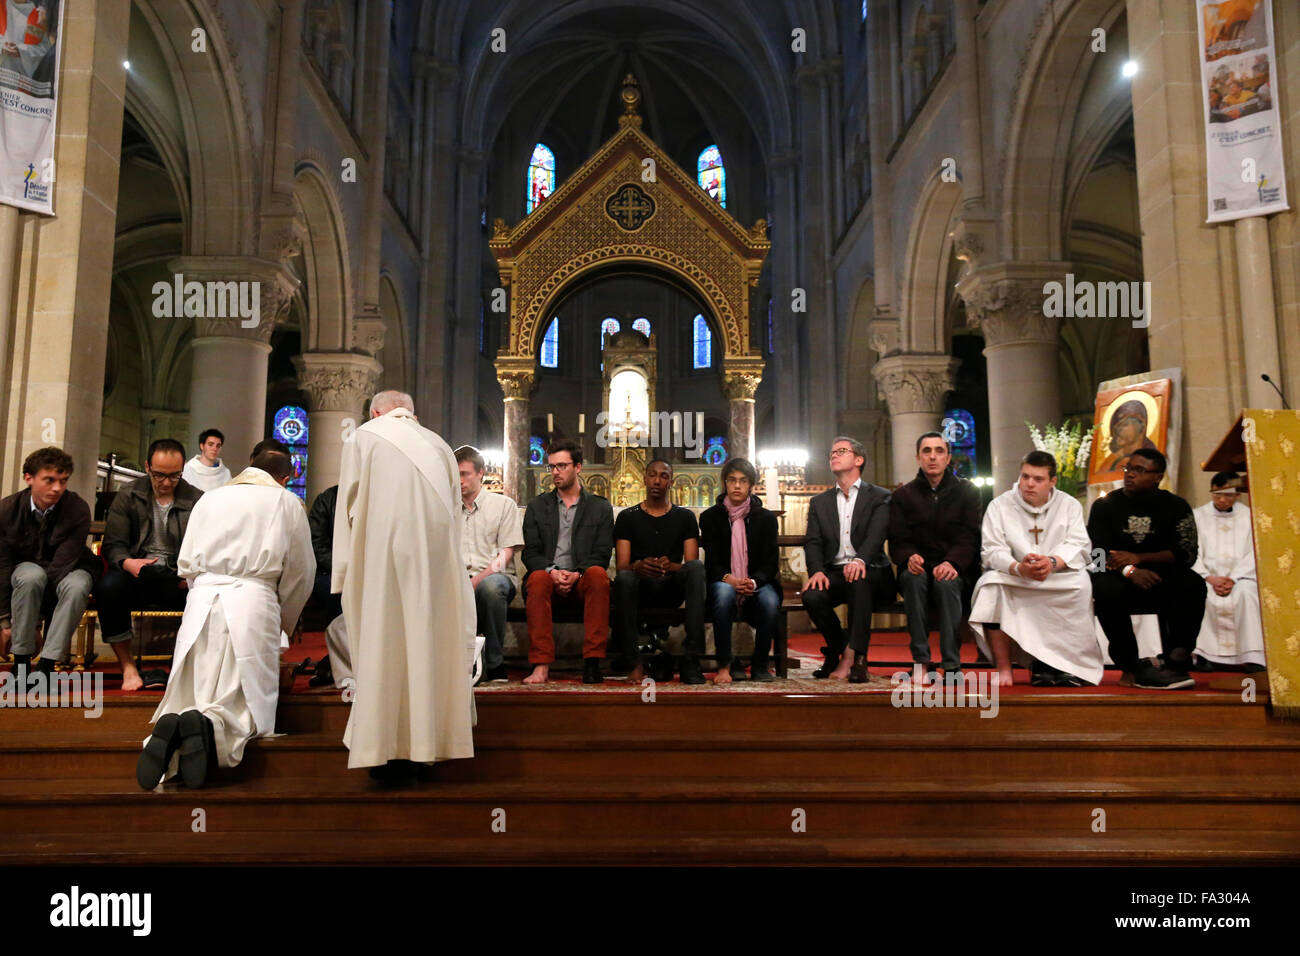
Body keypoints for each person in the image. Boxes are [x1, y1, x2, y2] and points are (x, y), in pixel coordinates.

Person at [136, 450, 314, 789]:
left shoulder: (210, 499)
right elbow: (300, 572)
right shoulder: (285, 502)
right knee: (241, 696)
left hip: (201, 600)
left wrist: (202, 589)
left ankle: (174, 723)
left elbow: (186, 563)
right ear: (284, 478)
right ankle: (213, 727)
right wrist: (284, 621)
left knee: (195, 684)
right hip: (252, 601)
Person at [332, 390, 474, 782]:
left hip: (380, 561)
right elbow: (455, 519)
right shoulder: (441, 445)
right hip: (433, 565)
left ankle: (380, 753)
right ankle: (422, 751)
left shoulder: (365, 435)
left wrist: (343, 573)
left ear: (376, 411)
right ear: (412, 412)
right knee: (424, 646)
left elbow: (348, 503)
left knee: (383, 645)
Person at [968, 451, 1101, 686]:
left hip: (1058, 575)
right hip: (1016, 576)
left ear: (1052, 482)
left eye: (1038, 479)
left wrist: (1052, 562)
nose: (1029, 484)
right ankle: (1004, 668)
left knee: (1081, 585)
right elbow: (991, 550)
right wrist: (1018, 567)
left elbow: (1079, 545)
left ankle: (1066, 665)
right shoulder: (999, 506)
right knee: (989, 588)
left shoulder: (1069, 505)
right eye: (1025, 476)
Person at [1089, 448, 1206, 690]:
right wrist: (1130, 571)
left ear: (1158, 477)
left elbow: (1187, 553)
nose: (1130, 474)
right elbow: (1098, 557)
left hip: (1162, 577)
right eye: (1129, 468)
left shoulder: (1176, 505)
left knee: (1193, 584)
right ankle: (1130, 665)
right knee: (1104, 589)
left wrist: (1138, 558)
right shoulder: (1105, 506)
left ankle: (1177, 658)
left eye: (1139, 470)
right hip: (1119, 578)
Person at [95, 438, 202, 691]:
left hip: (177, 577)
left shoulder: (196, 500)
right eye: (159, 475)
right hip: (137, 574)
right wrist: (128, 562)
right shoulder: (129, 494)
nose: (166, 482)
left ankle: (180, 668)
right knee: (108, 587)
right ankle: (128, 667)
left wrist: (191, 575)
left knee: (208, 594)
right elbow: (113, 543)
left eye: (174, 476)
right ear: (147, 467)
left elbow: (206, 548)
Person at [888, 431, 982, 677]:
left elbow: (969, 535)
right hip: (917, 566)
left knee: (947, 583)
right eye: (926, 451)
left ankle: (951, 664)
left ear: (948, 457)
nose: (933, 457)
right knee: (912, 579)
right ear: (918, 457)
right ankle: (921, 662)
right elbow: (897, 538)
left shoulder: (967, 491)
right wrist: (909, 556)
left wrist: (952, 562)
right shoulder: (903, 496)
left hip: (953, 566)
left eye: (939, 451)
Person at [0, 447, 99, 682]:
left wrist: (37, 620)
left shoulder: (77, 508)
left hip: (70, 567)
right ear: (29, 478)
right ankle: (21, 663)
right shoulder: (7, 510)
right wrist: (4, 622)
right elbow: (2, 567)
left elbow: (61, 565)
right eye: (49, 480)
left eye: (63, 481)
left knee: (77, 585)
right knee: (31, 576)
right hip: (25, 570)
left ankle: (47, 664)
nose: (57, 488)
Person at [802, 436, 895, 683]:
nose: (834, 455)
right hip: (835, 572)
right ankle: (841, 648)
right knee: (812, 595)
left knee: (859, 578)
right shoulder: (819, 502)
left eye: (841, 451)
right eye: (832, 452)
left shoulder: (879, 496)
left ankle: (855, 657)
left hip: (872, 570)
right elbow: (813, 542)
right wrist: (817, 571)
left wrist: (860, 560)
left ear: (858, 460)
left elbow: (876, 536)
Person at [520, 438, 613, 685]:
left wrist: (578, 573)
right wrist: (551, 571)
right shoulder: (538, 506)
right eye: (551, 467)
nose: (555, 472)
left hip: (582, 579)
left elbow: (602, 553)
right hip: (548, 578)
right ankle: (541, 665)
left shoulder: (599, 507)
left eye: (562, 466)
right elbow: (530, 552)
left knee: (597, 575)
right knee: (537, 577)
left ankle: (592, 662)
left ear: (578, 467)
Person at [613, 459, 707, 684]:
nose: (657, 480)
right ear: (644, 479)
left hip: (672, 587)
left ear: (671, 482)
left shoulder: (684, 517)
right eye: (652, 475)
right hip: (640, 587)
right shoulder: (628, 517)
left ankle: (692, 657)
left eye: (664, 476)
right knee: (624, 577)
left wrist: (670, 566)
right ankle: (634, 662)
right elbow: (622, 565)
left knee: (696, 568)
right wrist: (638, 565)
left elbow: (690, 562)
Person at [698, 457, 780, 683]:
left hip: (757, 582)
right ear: (724, 483)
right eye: (732, 480)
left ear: (751, 485)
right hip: (724, 580)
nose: (737, 486)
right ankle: (725, 664)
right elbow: (712, 562)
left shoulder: (766, 519)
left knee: (770, 601)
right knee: (723, 596)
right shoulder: (710, 518)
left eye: (743, 481)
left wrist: (753, 582)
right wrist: (730, 580)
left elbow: (771, 563)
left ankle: (761, 664)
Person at [456, 445, 524, 684]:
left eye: (464, 474)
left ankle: (495, 664)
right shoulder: (447, 509)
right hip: (457, 577)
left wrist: (477, 579)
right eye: (455, 475)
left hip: (496, 576)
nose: (459, 480)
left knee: (491, 588)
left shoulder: (502, 505)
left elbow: (505, 554)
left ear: (480, 473)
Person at [1191, 472, 1264, 672]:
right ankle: (1203, 655)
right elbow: (1191, 550)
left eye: (1229, 495)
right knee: (1200, 594)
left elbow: (1254, 552)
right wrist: (1209, 577)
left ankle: (1252, 656)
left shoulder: (1250, 516)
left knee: (1246, 595)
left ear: (1238, 494)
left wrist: (1233, 579)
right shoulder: (1197, 516)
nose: (1223, 500)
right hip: (1206, 576)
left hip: (1241, 577)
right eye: (1217, 495)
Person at [306, 484, 350, 689]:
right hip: (329, 571)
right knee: (336, 594)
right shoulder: (327, 500)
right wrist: (342, 568)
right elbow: (316, 542)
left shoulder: (376, 498)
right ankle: (339, 659)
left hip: (365, 572)